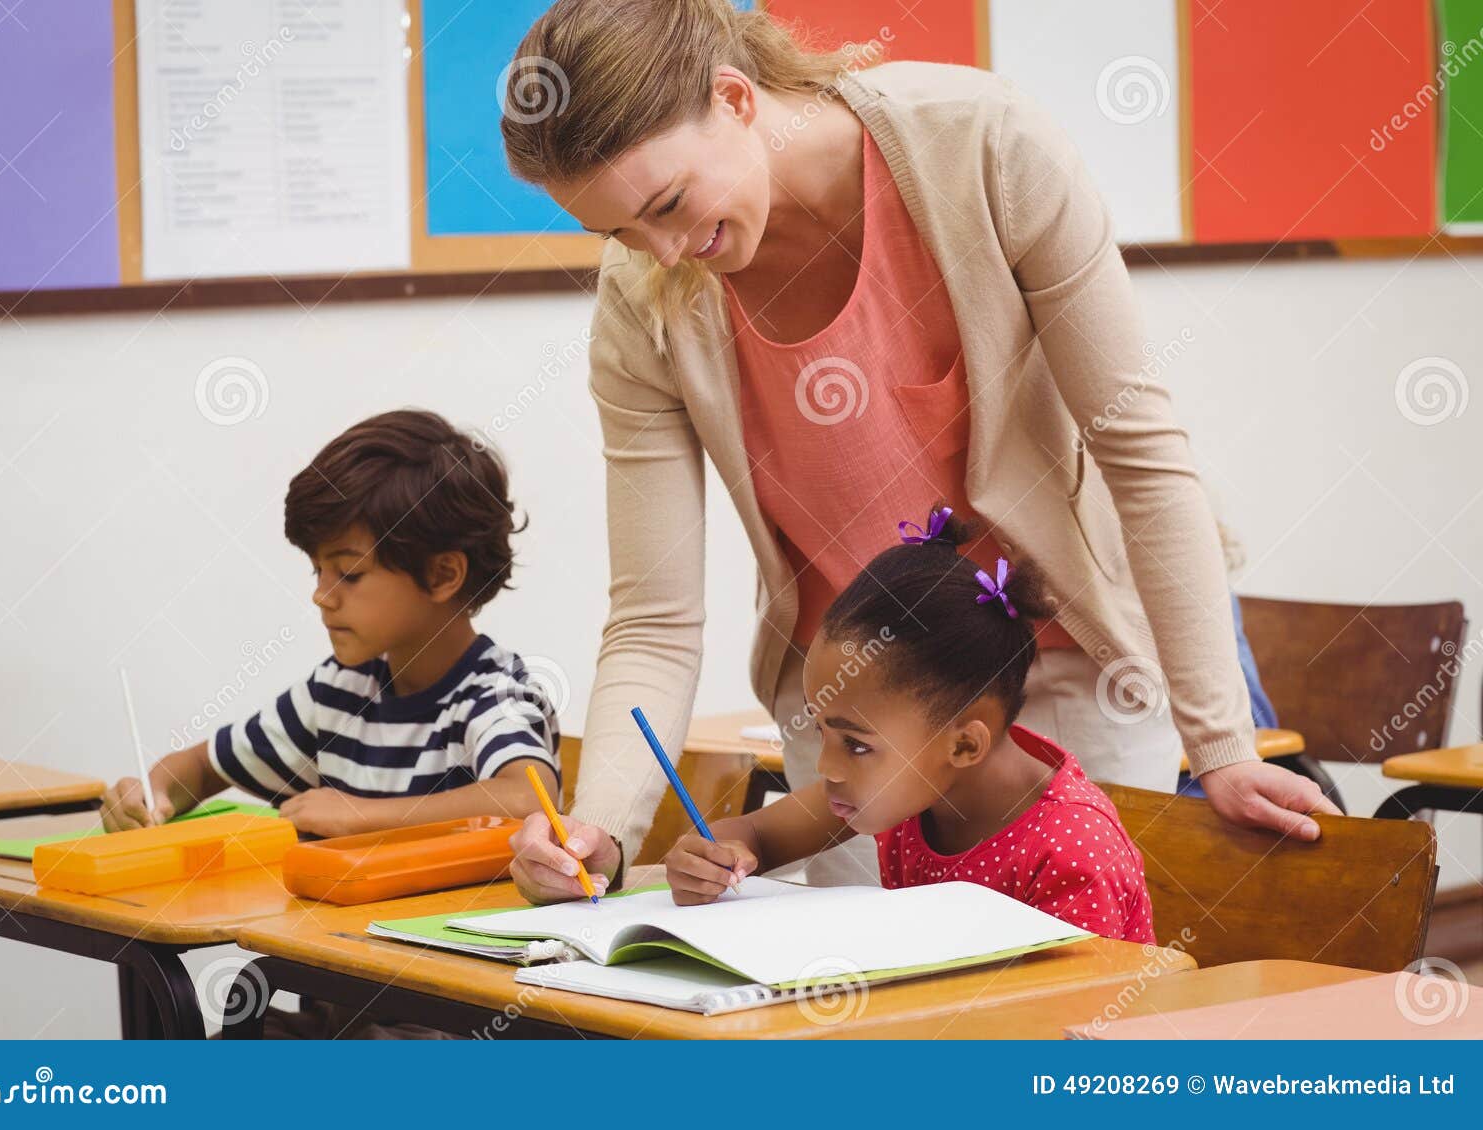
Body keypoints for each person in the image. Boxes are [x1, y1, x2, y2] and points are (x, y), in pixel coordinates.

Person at [499, 0, 1336, 903]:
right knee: (872, 1020)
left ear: (735, 99)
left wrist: (1221, 746)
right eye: (618, 232)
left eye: (667, 205)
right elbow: (655, 616)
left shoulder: (981, 145)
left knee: (1056, 1003)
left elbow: (1140, 453)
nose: (660, 253)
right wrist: (602, 832)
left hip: (1060, 670)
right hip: (853, 708)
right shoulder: (646, 298)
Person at [665, 510, 1153, 944]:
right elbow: (758, 835)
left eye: (855, 745)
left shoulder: (1071, 850)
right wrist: (713, 858)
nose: (826, 767)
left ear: (964, 744)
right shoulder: (914, 787)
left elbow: (1074, 1027)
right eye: (821, 731)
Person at [100, 410, 560, 840]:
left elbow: (527, 800)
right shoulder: (339, 691)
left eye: (350, 573)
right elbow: (203, 766)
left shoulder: (497, 692)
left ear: (442, 575)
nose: (321, 595)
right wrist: (153, 792)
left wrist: (361, 815)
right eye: (317, 570)